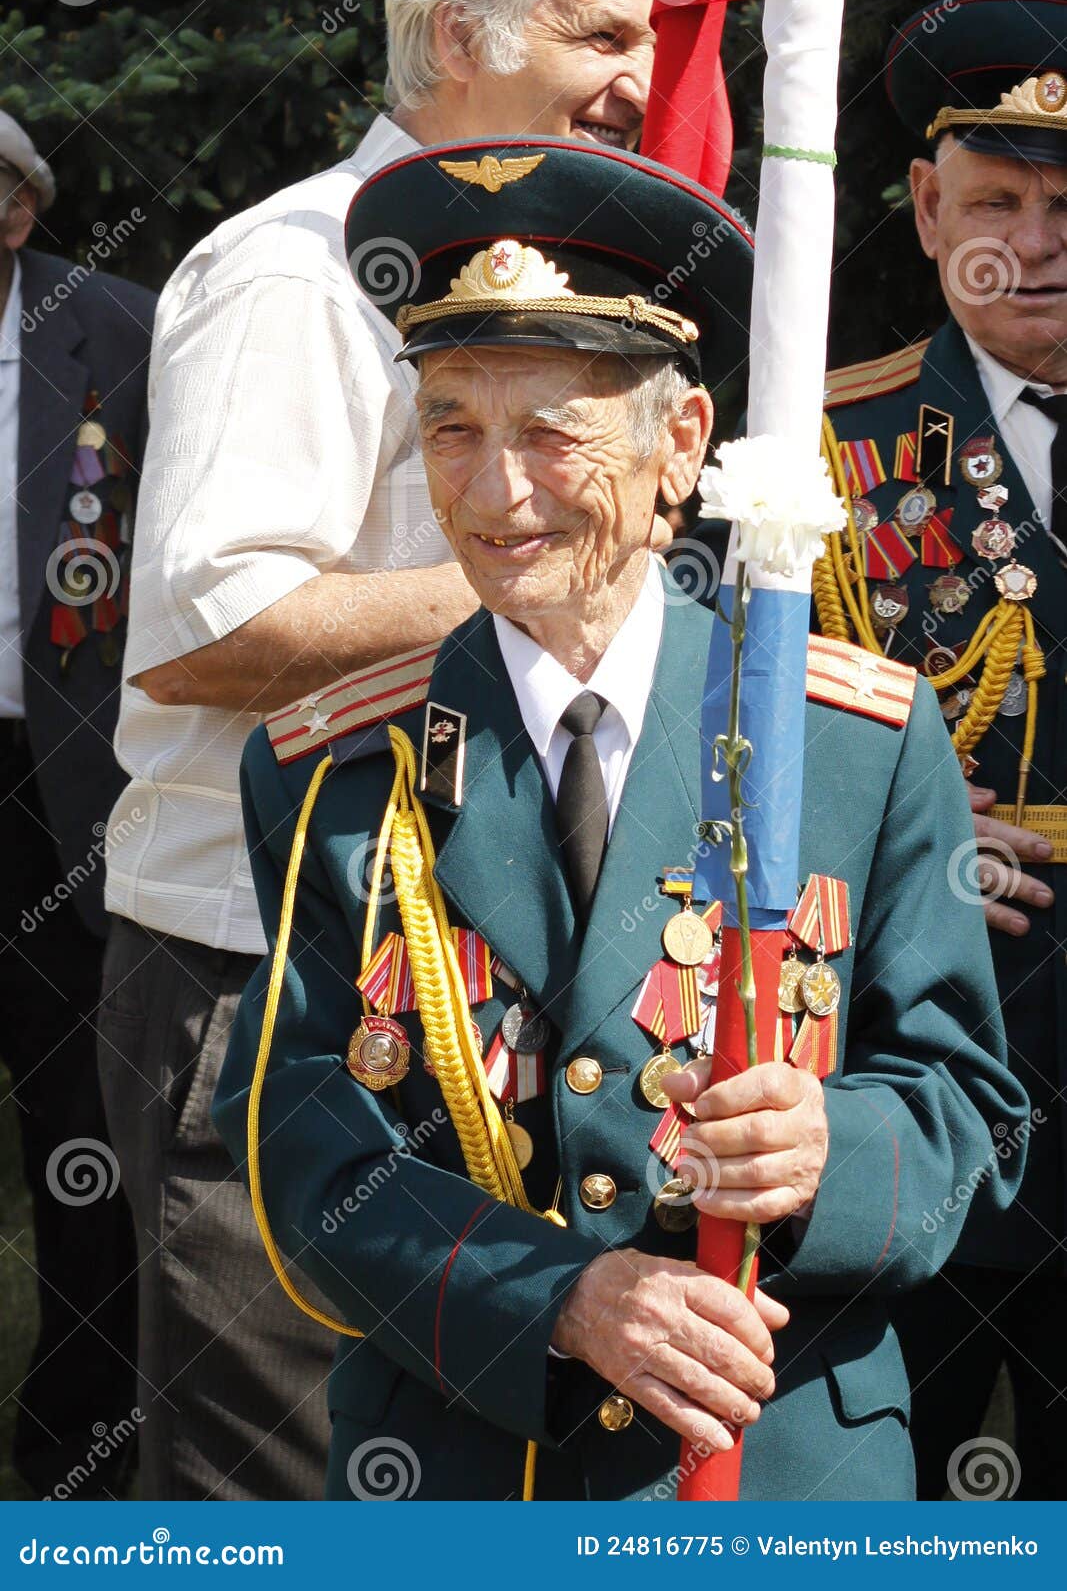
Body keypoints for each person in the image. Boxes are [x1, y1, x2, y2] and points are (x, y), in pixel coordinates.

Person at [213, 135, 1028, 1501]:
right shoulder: (336, 766)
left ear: (681, 450)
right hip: (477, 1462)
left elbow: (972, 1110)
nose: (492, 492)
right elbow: (306, 1145)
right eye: (455, 426)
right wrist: (560, 1297)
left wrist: (833, 1151)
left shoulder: (856, 743)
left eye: (550, 431)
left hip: (777, 1459)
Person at [96, 0, 666, 1500]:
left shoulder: (536, 275)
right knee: (281, 1486)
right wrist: (546, 570)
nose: (641, 81)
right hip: (260, 980)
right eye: (604, 34)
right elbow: (208, 632)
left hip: (462, 988)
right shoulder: (292, 272)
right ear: (462, 36)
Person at [812, 0, 1067, 1500]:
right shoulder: (825, 452)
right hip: (933, 1051)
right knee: (882, 1470)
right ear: (923, 208)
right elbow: (719, 737)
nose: (1037, 241)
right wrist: (891, 831)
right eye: (998, 203)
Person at [0, 111, 154, 1496]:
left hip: (56, 783)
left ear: (17, 213)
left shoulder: (117, 331)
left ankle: (80, 1438)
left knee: (81, 1126)